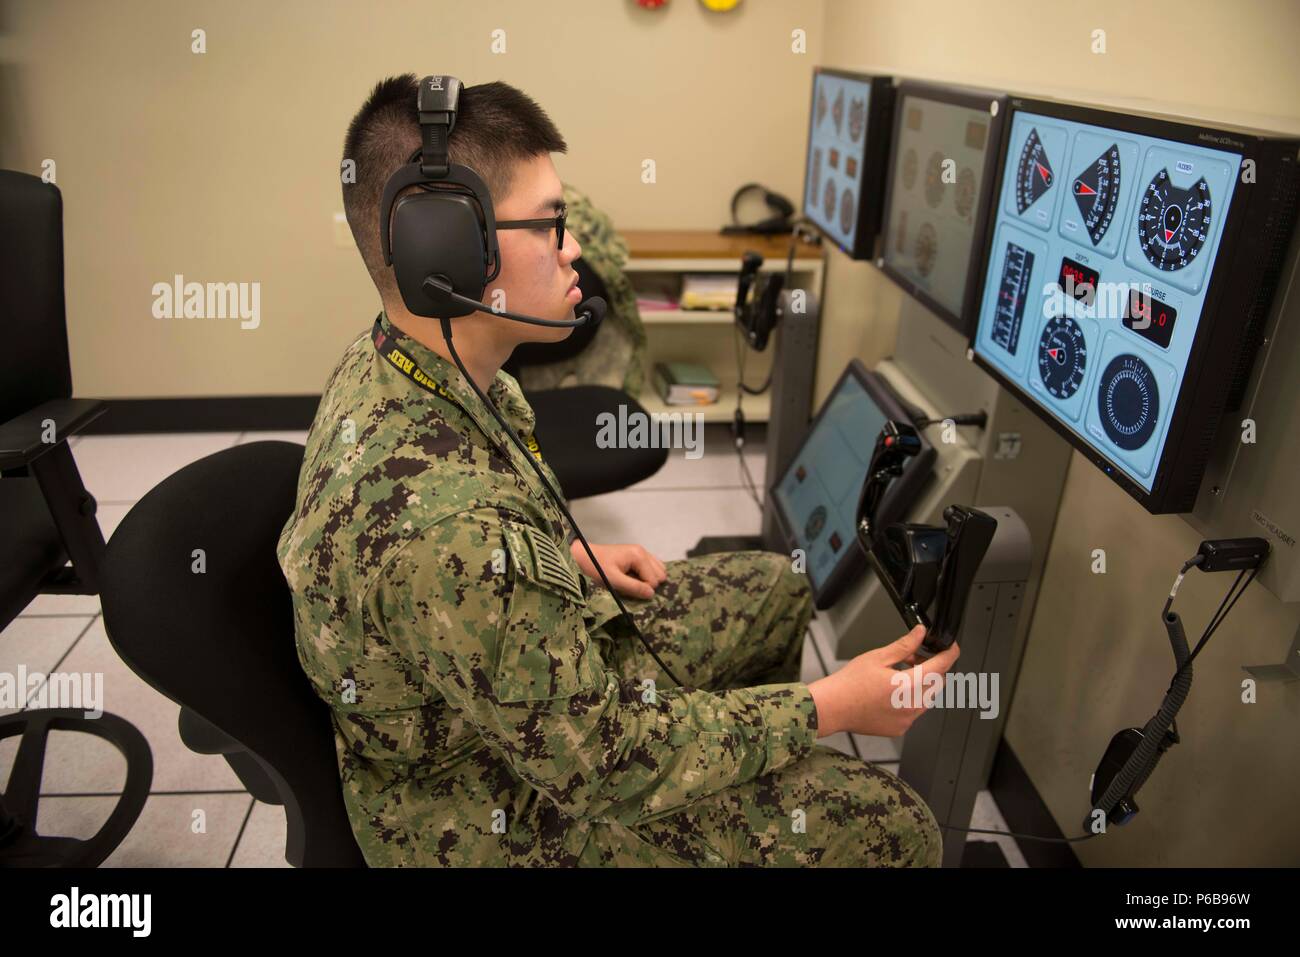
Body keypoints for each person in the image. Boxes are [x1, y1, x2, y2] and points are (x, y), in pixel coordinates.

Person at [277, 74, 955, 867]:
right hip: (496, 809)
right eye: (551, 225)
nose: (576, 250)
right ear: (450, 256)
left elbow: (454, 576)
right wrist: (832, 706)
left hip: (506, 686)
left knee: (780, 591)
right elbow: (601, 765)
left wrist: (564, 559)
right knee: (896, 827)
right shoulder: (450, 532)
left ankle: (739, 777)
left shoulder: (410, 359)